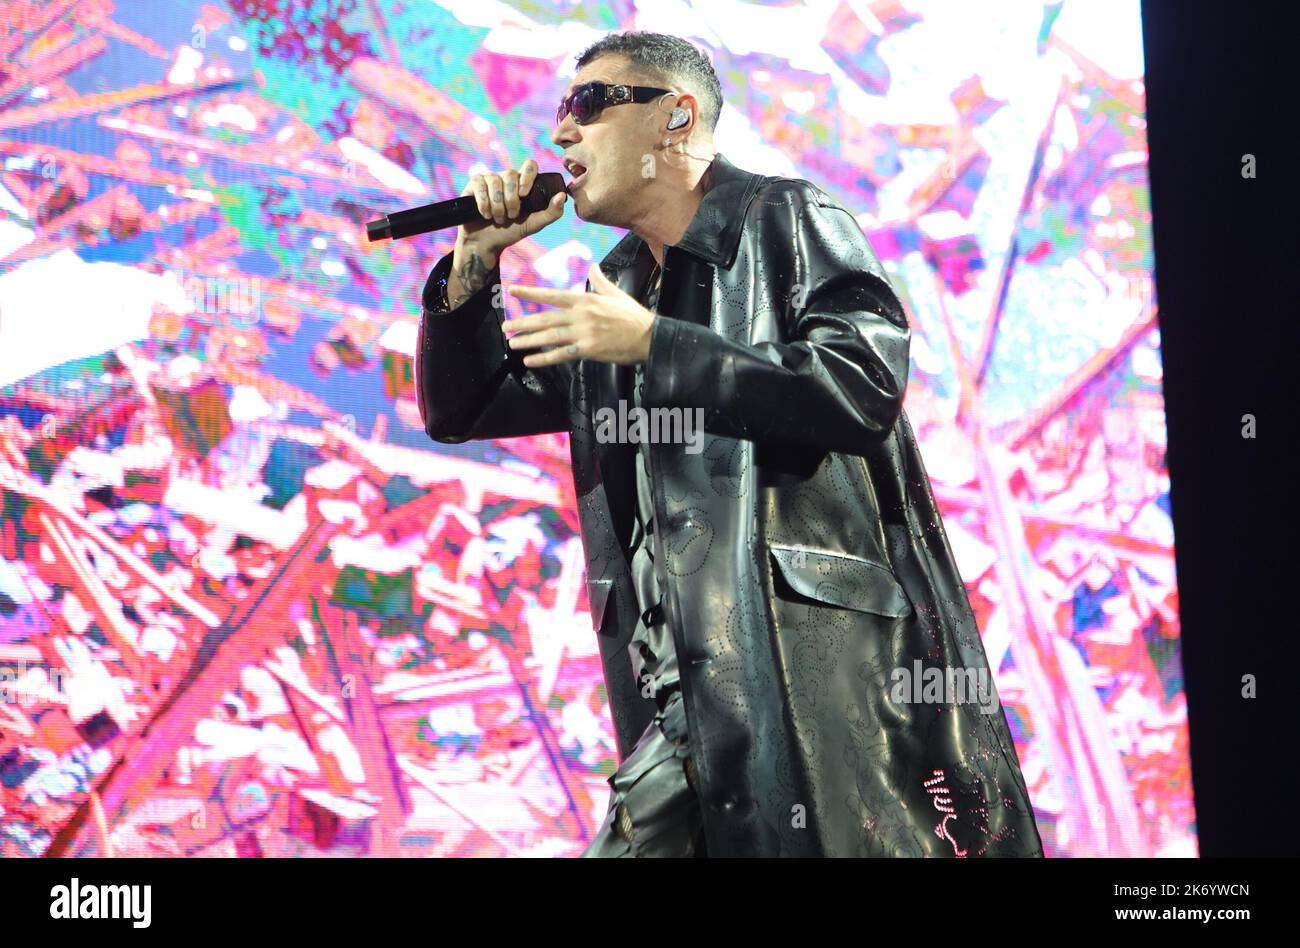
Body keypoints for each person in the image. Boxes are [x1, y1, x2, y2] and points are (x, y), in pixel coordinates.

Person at [416, 30, 1043, 857]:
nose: (561, 132)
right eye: (559, 112)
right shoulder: (622, 292)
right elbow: (469, 407)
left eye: (589, 104)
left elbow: (860, 385)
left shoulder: (784, 219)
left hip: (801, 682)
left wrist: (657, 347)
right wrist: (474, 266)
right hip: (682, 710)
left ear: (676, 117)